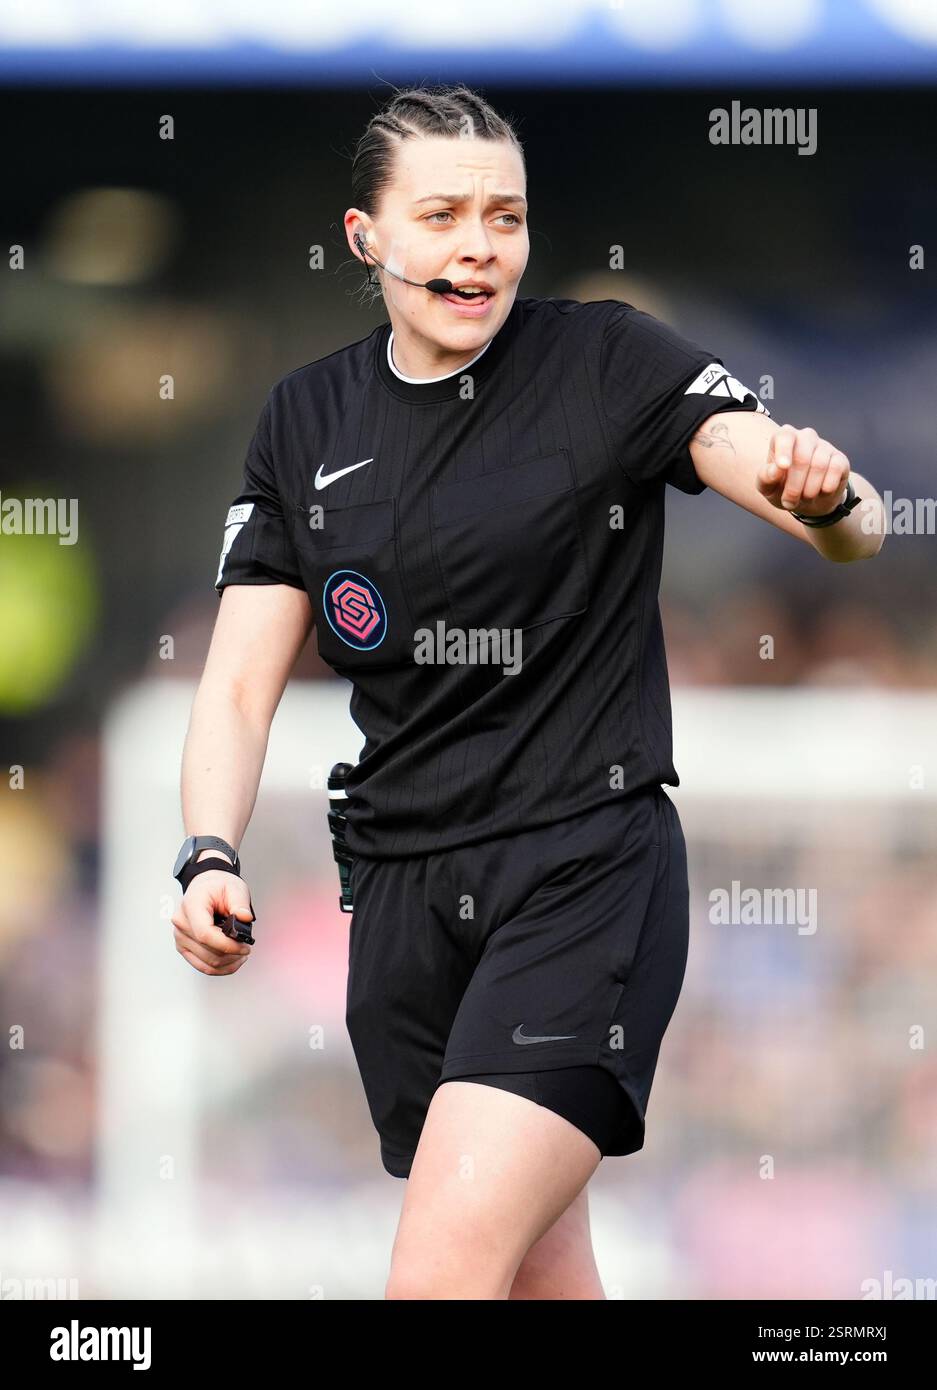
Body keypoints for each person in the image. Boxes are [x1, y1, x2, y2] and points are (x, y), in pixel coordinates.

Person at [171, 84, 884, 1300]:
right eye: (442, 214)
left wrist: (824, 501)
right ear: (366, 237)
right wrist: (206, 853)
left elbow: (835, 514)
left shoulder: (607, 360)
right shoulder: (305, 419)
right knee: (537, 1276)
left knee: (441, 1273)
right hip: (400, 902)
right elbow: (238, 685)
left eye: (503, 216)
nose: (477, 245)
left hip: (582, 877)